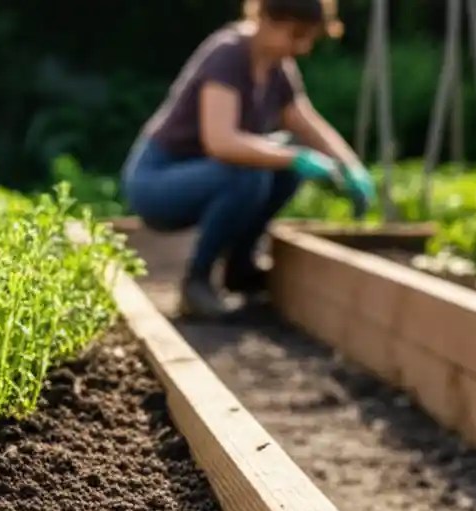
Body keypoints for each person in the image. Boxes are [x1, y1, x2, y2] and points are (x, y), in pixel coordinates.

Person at [120, 0, 374, 318]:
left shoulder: (277, 69)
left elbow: (307, 124)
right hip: (157, 182)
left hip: (208, 175)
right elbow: (221, 141)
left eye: (309, 38)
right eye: (296, 35)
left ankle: (240, 269)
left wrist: (350, 167)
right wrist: (295, 158)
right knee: (251, 171)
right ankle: (197, 283)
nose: (304, 47)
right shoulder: (228, 54)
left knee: (281, 164)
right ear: (266, 18)